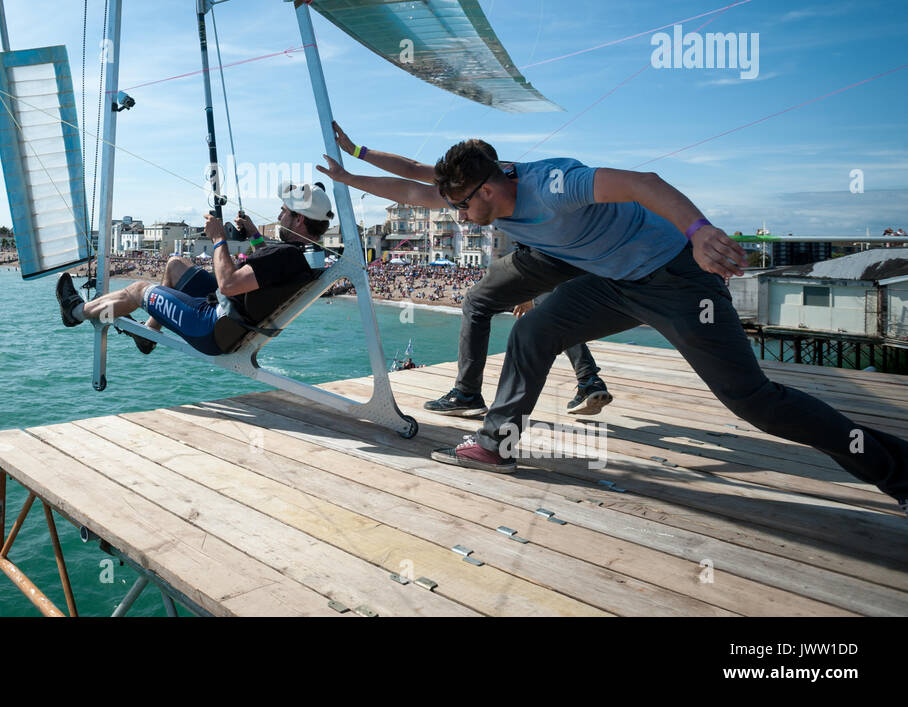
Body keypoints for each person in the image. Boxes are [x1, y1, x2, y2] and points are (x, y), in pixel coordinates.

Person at [319, 131, 908, 512]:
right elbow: (417, 183)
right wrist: (353, 172)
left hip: (676, 278)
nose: (460, 215)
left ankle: (896, 472)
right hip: (611, 282)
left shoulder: (554, 184)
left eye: (466, 205)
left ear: (493, 186)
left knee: (753, 401)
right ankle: (498, 442)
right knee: (532, 331)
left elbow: (643, 183)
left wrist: (700, 233)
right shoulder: (475, 190)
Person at [324, 125, 612, 418]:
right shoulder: (505, 176)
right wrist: (355, 155)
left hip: (546, 253)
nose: (461, 211)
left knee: (477, 303)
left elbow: (411, 181)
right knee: (549, 308)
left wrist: (351, 170)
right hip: (580, 252)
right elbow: (410, 175)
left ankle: (467, 393)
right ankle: (588, 379)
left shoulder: (480, 186)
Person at [56, 182, 332, 356]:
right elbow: (270, 270)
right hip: (230, 315)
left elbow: (229, 285)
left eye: (284, 211)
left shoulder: (288, 256)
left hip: (214, 326)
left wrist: (217, 238)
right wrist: (253, 235)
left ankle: (75, 312)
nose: (278, 216)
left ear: (299, 221)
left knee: (138, 290)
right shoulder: (301, 257)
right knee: (175, 265)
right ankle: (148, 335)